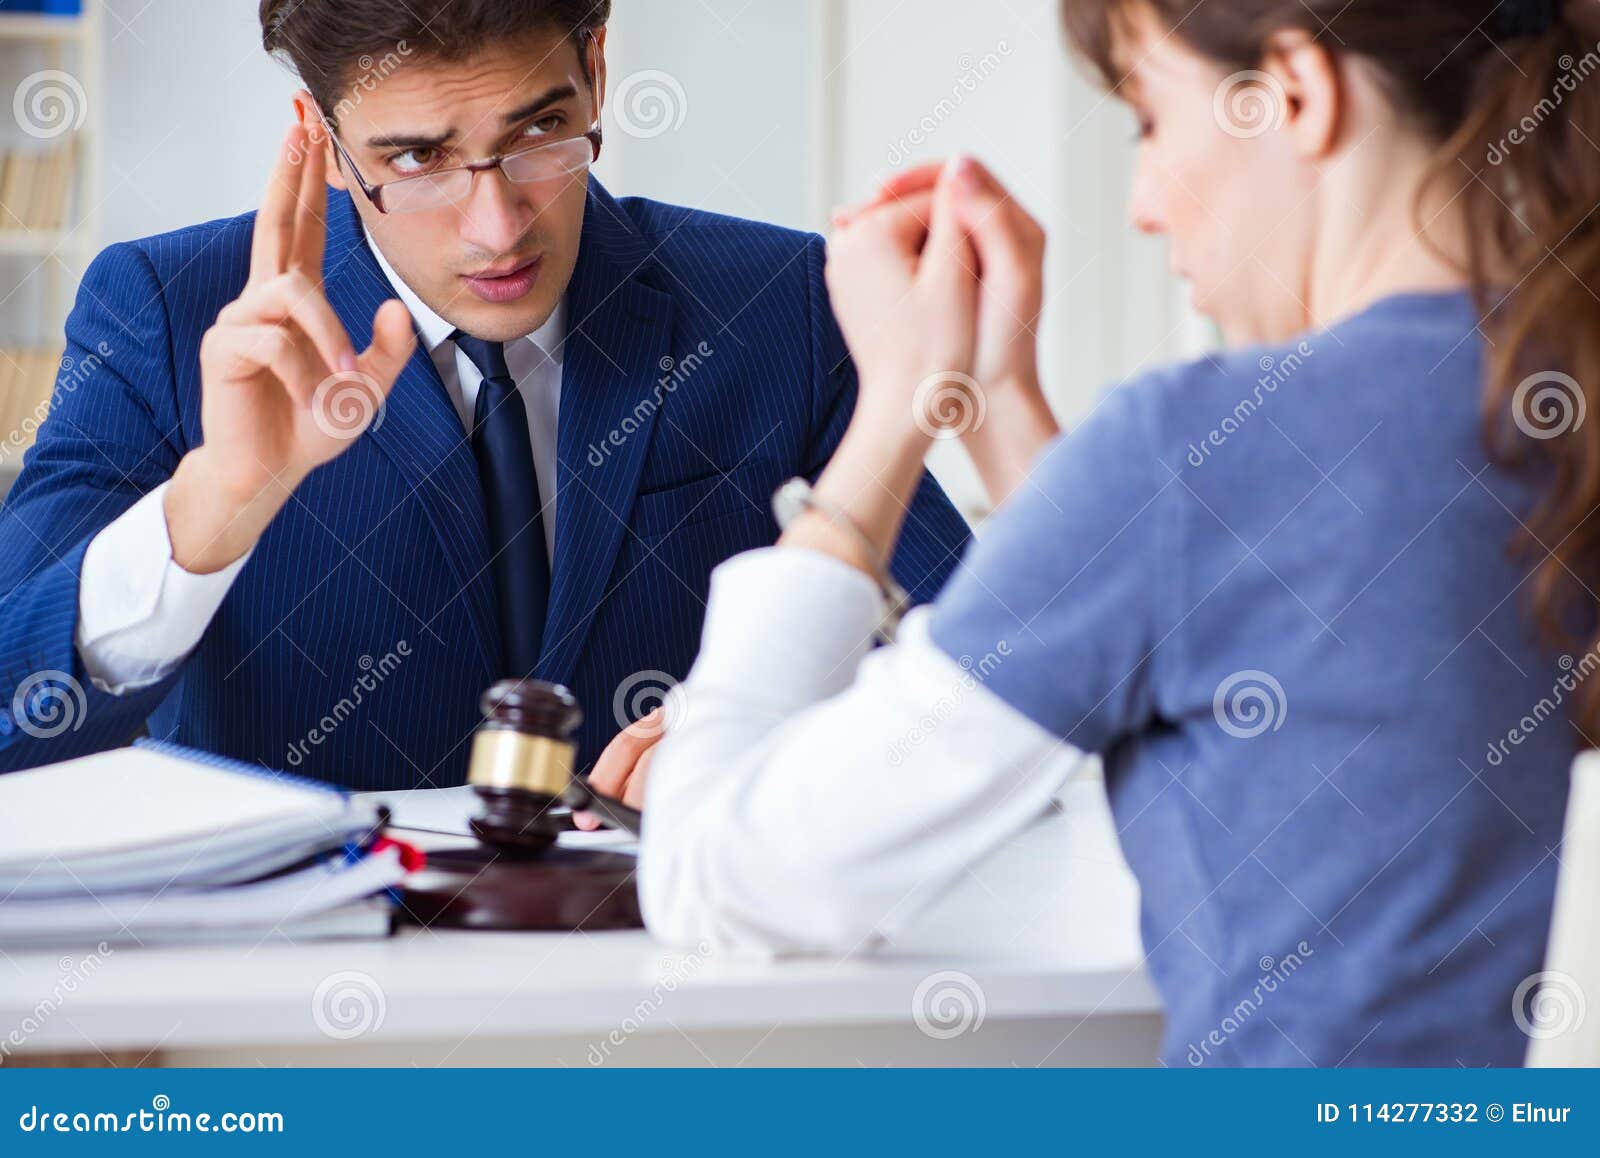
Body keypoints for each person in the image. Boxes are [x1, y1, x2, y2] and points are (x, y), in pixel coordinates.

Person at [638, 0, 1598, 1066]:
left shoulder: (1197, 455)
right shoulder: (1547, 401)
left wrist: (894, 411)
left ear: (1292, 92)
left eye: (1148, 119)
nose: (1141, 205)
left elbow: (716, 879)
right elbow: (1211, 678)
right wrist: (995, 394)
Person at [0, 0, 969, 790]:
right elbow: (13, 707)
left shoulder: (782, 300)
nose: (497, 226)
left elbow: (987, 664)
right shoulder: (166, 312)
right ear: (323, 141)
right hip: (290, 996)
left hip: (683, 970)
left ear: (597, 66)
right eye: (418, 159)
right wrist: (208, 510)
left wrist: (773, 727)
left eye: (541, 131)